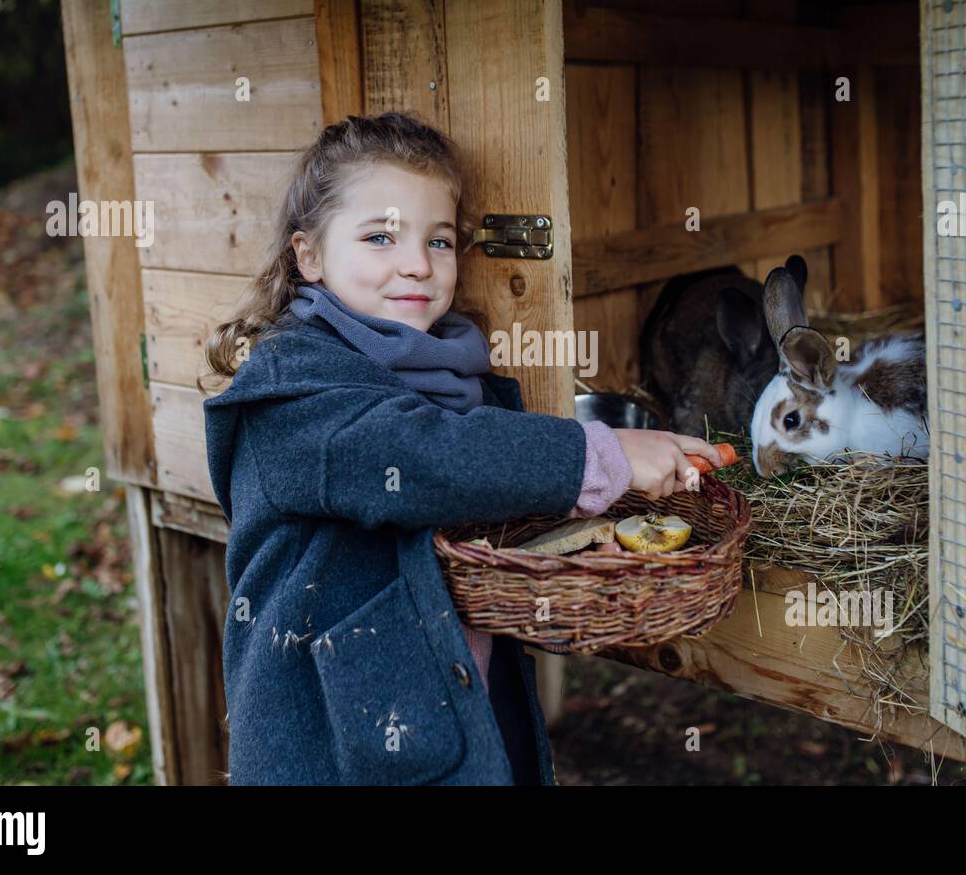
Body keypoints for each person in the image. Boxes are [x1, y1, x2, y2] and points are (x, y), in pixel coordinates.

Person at [200, 111, 722, 785]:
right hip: (329, 739)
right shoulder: (293, 392)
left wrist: (574, 536)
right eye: (380, 236)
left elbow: (470, 510)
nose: (417, 264)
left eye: (439, 241)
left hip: (445, 706)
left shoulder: (456, 381)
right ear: (311, 256)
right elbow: (425, 458)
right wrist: (605, 453)